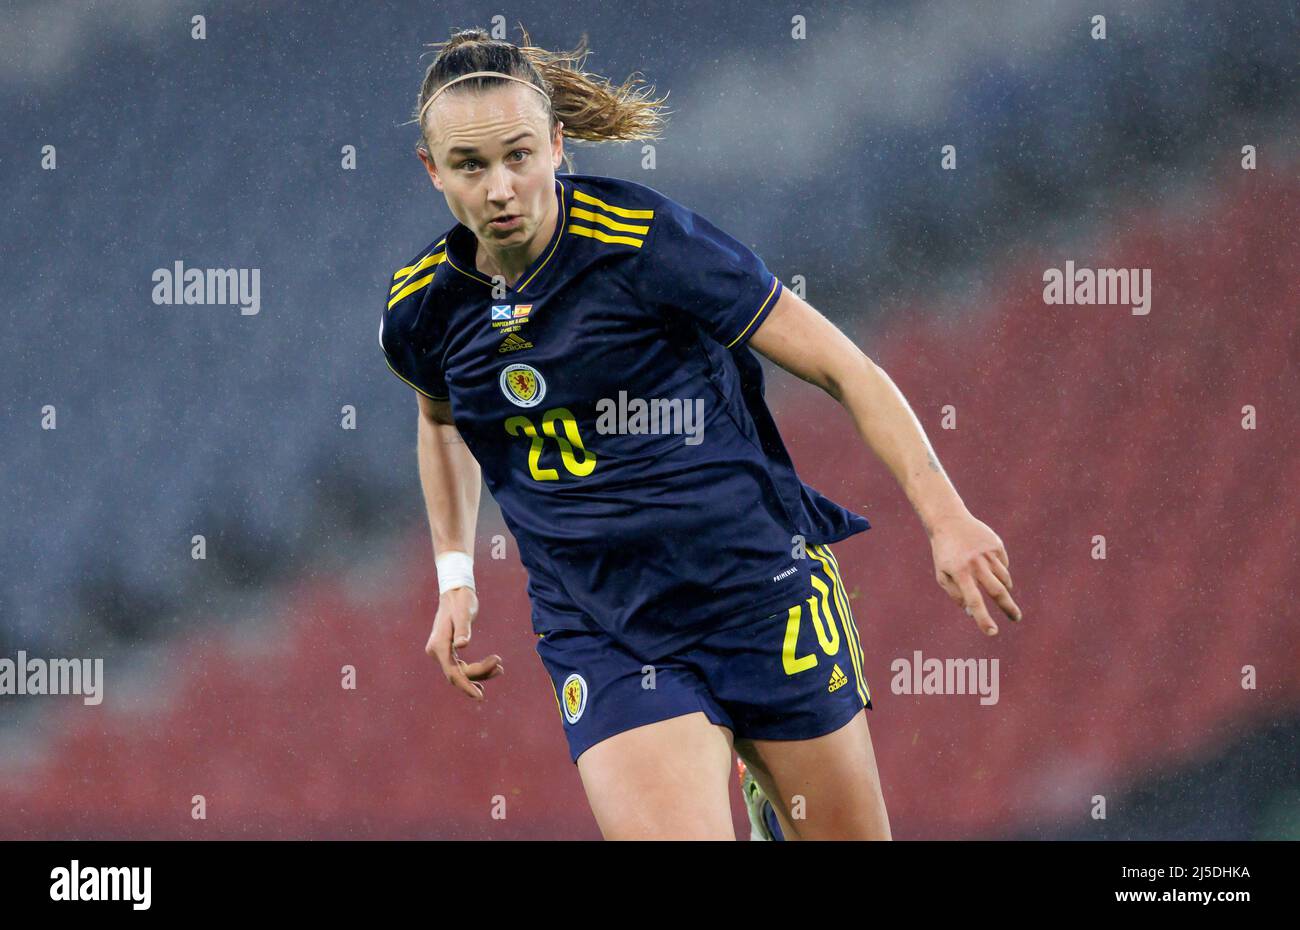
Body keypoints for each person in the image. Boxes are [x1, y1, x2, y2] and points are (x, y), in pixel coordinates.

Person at [379, 27, 1022, 840]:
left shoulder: (647, 242)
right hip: (602, 621)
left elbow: (841, 366)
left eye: (519, 155)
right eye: (470, 166)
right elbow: (440, 422)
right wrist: (454, 575)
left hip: (757, 588)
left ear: (558, 146)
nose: (500, 187)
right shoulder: (422, 307)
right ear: (433, 172)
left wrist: (947, 517)